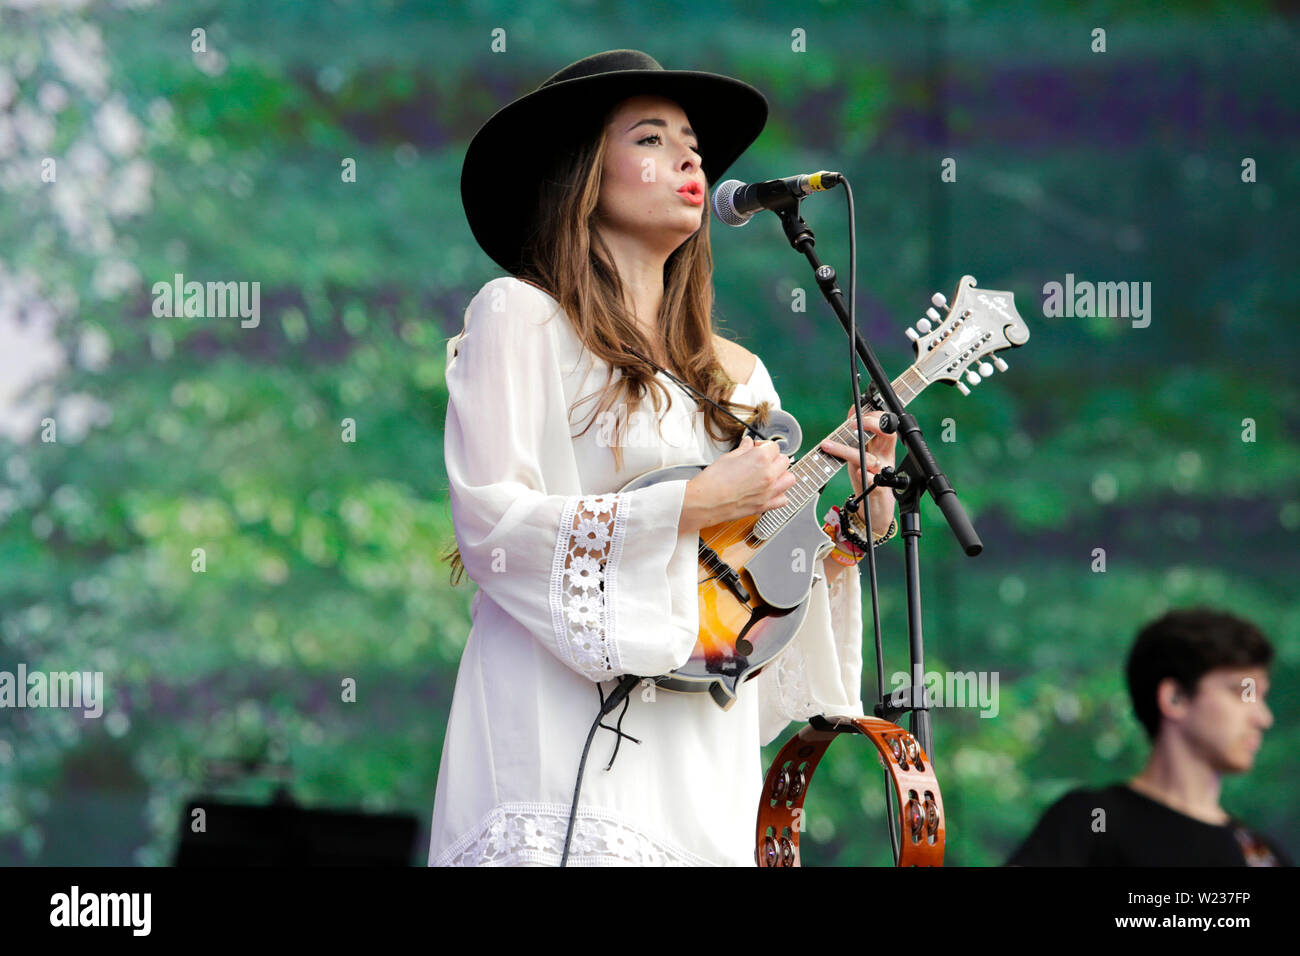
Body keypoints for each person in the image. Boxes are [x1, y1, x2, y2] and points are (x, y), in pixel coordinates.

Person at [428, 49, 899, 866]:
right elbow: (493, 525)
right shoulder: (519, 317)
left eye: (693, 144)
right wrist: (692, 502)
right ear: (580, 173)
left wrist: (846, 531)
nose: (690, 158)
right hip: (552, 731)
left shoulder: (742, 377)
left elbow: (750, 596)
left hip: (698, 757)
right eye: (651, 138)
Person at [1007, 607, 1291, 866]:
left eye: (1261, 697)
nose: (1263, 718)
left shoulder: (1261, 854)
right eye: (1243, 692)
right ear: (1175, 698)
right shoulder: (1092, 821)